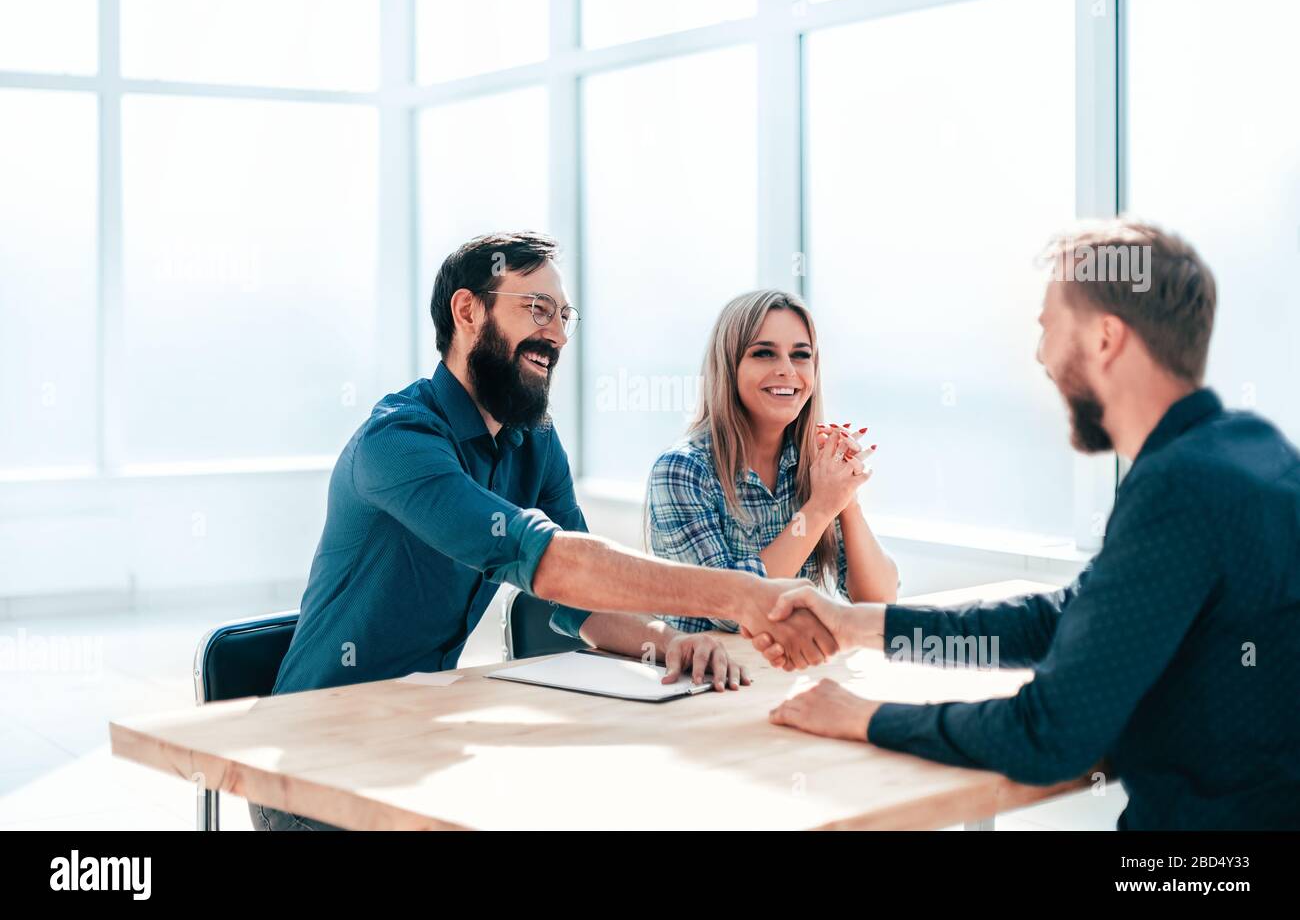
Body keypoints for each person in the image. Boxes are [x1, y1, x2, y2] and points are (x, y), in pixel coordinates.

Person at [256, 232, 837, 830]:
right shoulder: (398, 443)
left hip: (417, 733)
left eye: (563, 316)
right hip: (315, 770)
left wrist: (667, 640)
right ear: (467, 311)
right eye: (535, 309)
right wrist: (740, 593)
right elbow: (555, 562)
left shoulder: (534, 439)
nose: (557, 333)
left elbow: (578, 596)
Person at [758, 218, 1300, 830]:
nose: (1042, 356)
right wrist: (859, 625)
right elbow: (1065, 621)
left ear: (1104, 339)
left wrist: (860, 715)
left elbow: (1048, 734)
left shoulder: (1179, 488)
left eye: (1049, 329)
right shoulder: (1252, 451)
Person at [646, 289, 898, 637]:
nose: (786, 370)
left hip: (783, 674)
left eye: (801, 355)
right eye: (764, 353)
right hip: (707, 681)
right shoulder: (683, 470)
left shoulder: (812, 467)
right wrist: (822, 506)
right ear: (729, 366)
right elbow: (732, 612)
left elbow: (879, 601)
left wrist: (846, 497)